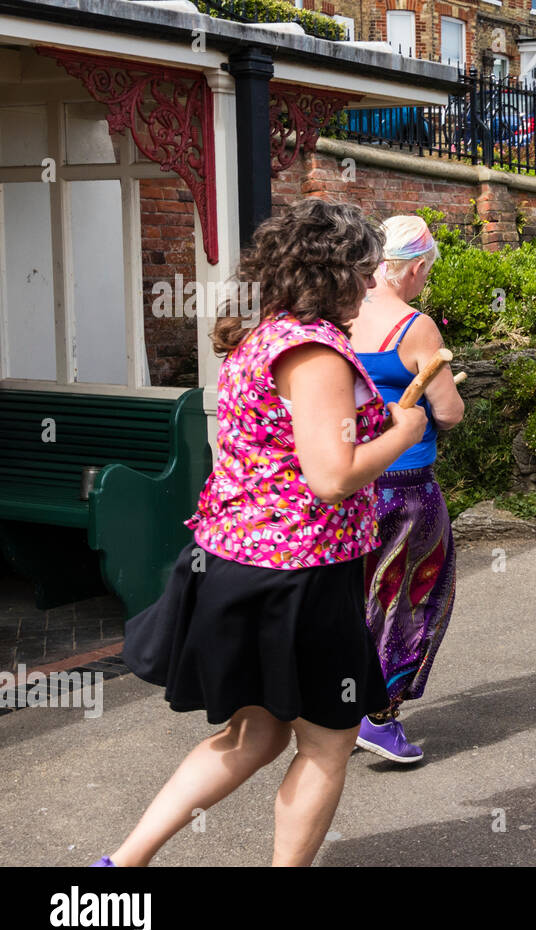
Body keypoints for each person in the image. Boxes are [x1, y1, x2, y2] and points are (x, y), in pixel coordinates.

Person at [100, 200, 428, 866]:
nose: (373, 284)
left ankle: (122, 864)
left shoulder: (266, 334)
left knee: (251, 735)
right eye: (365, 271)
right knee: (328, 744)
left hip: (234, 563)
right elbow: (332, 476)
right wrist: (402, 432)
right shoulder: (314, 352)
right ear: (335, 274)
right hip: (299, 574)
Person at [350, 215, 464, 763]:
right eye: (426, 272)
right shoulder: (415, 327)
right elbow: (448, 411)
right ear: (415, 267)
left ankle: (342, 709)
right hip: (406, 486)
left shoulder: (339, 312)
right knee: (410, 598)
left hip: (348, 479)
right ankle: (380, 715)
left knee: (354, 596)